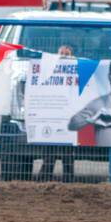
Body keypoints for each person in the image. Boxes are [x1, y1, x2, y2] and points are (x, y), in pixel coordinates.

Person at [37, 44, 77, 182]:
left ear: (72, 56)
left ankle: (68, 180)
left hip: (68, 118)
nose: (64, 57)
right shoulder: (49, 70)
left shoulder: (76, 71)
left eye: (67, 54)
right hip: (52, 116)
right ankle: (45, 178)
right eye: (61, 54)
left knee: (67, 153)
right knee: (49, 151)